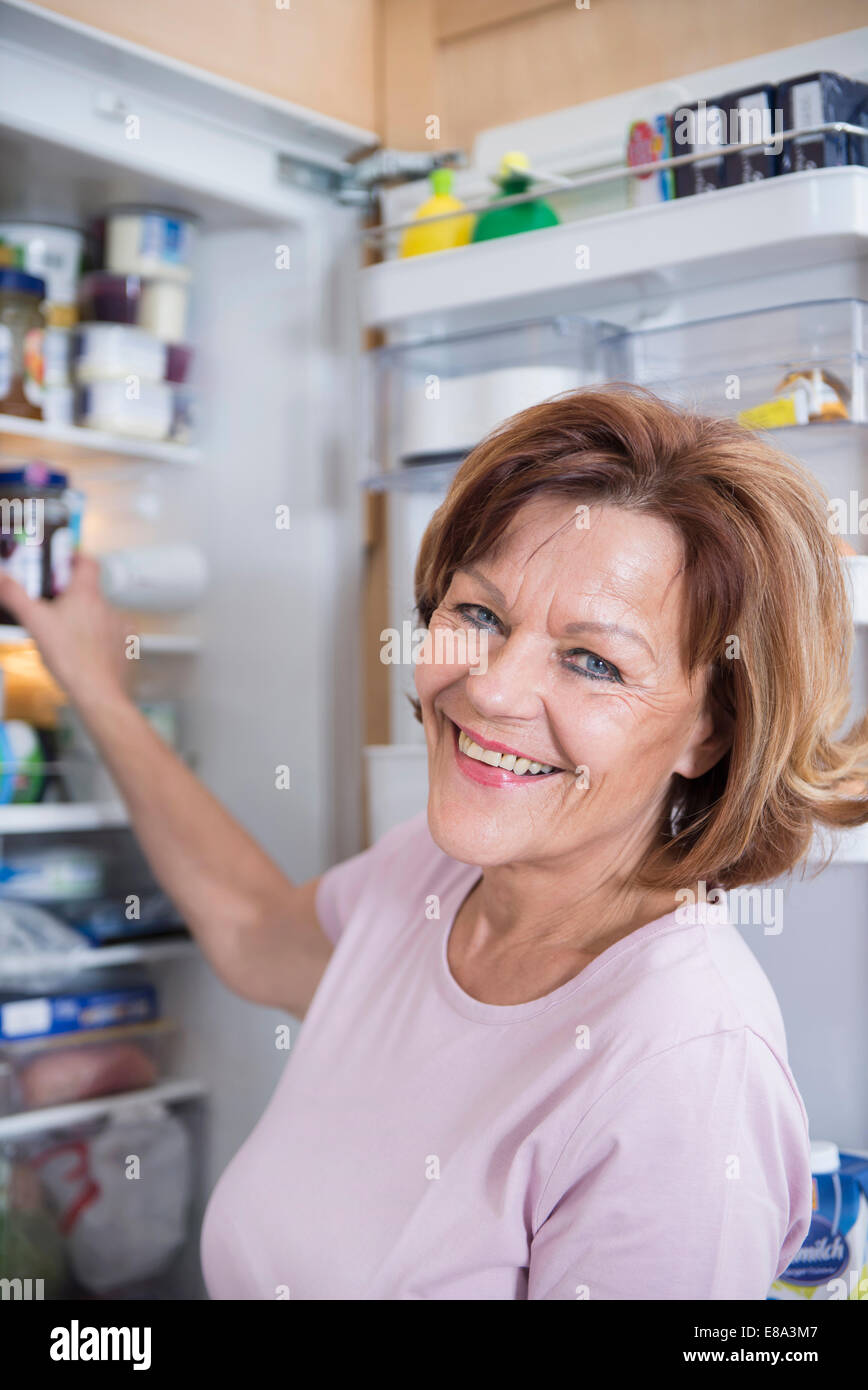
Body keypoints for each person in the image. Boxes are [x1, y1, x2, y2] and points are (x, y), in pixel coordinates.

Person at [3, 386, 866, 1300]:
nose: (490, 691)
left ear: (714, 731)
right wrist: (95, 685)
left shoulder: (686, 1073)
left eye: (593, 661)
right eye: (481, 616)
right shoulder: (438, 871)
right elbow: (259, 932)